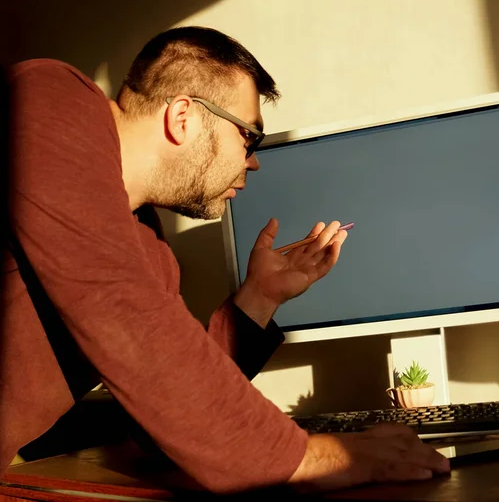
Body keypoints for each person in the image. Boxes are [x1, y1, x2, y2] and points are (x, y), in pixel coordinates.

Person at [1, 26, 449, 493]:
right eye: (249, 137)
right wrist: (316, 458)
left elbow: (161, 426)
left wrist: (259, 298)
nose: (252, 161)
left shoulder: (147, 252)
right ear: (182, 117)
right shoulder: (47, 99)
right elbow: (123, 311)